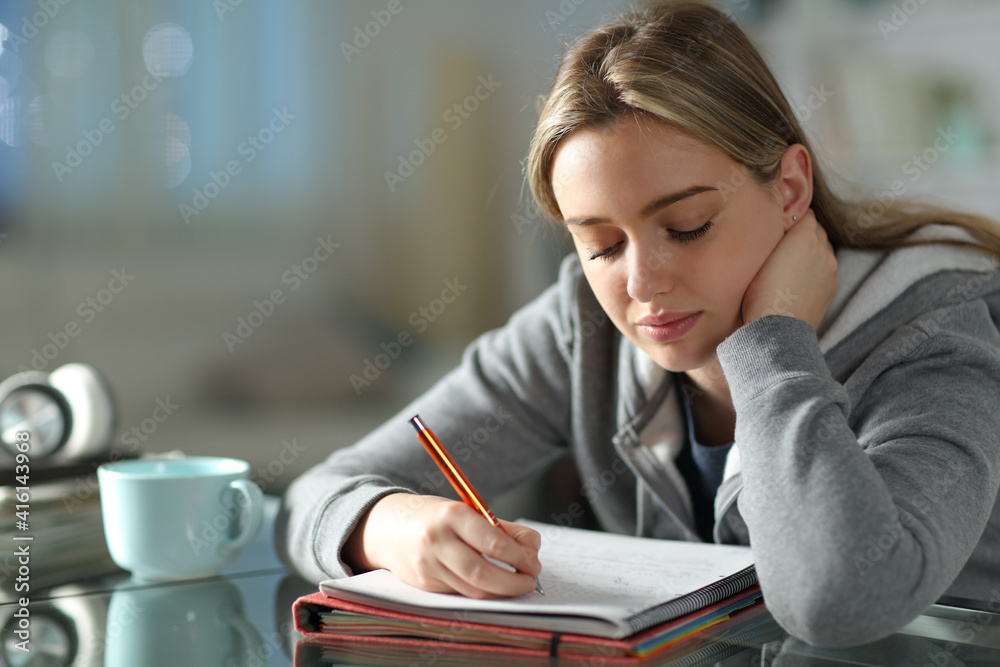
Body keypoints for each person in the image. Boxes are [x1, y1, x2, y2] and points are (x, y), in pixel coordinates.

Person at [277, 1, 1000, 648]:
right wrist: (392, 527)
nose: (643, 284)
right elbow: (315, 495)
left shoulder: (933, 331)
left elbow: (839, 600)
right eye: (601, 243)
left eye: (686, 226)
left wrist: (775, 339)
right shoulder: (581, 324)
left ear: (790, 188)